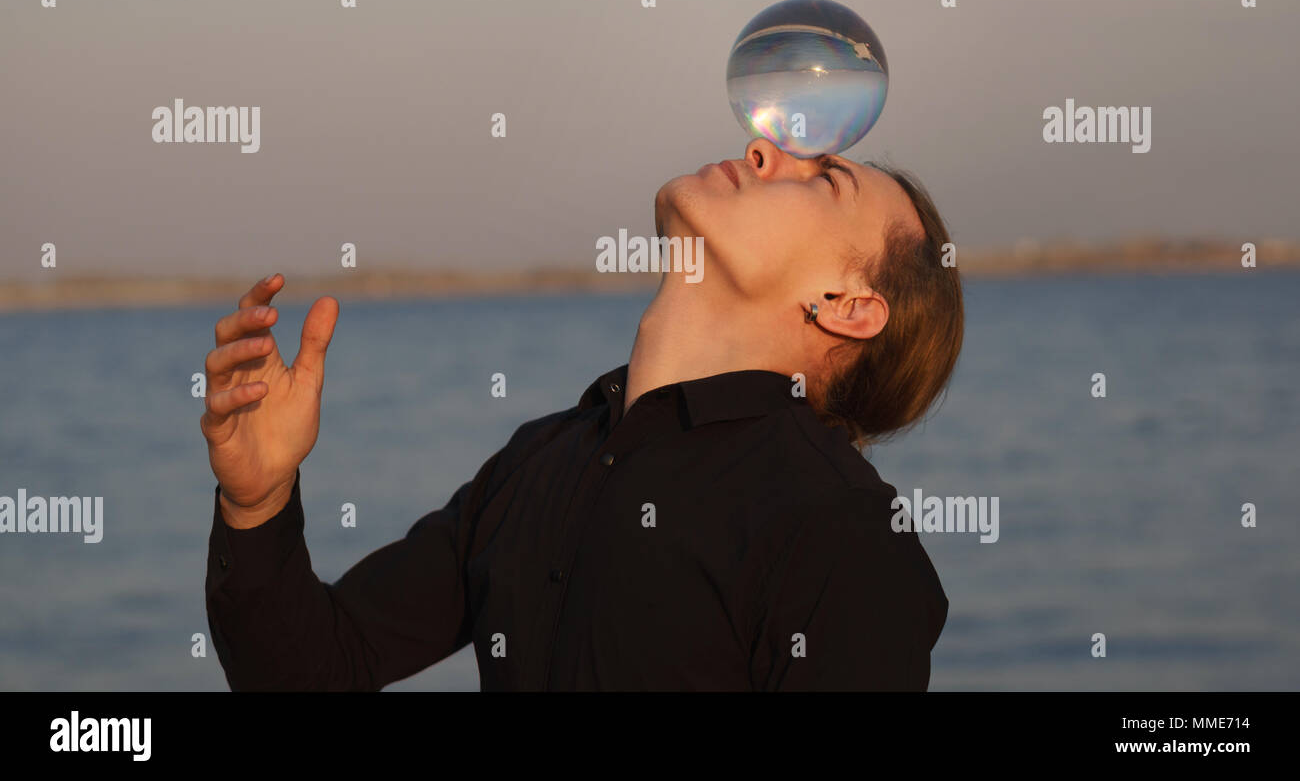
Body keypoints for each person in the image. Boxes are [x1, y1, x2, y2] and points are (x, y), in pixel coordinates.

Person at [202, 136, 964, 690]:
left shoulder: (842, 533)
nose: (765, 147)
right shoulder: (539, 461)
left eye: (824, 179)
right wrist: (258, 503)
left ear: (847, 307)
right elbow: (318, 670)